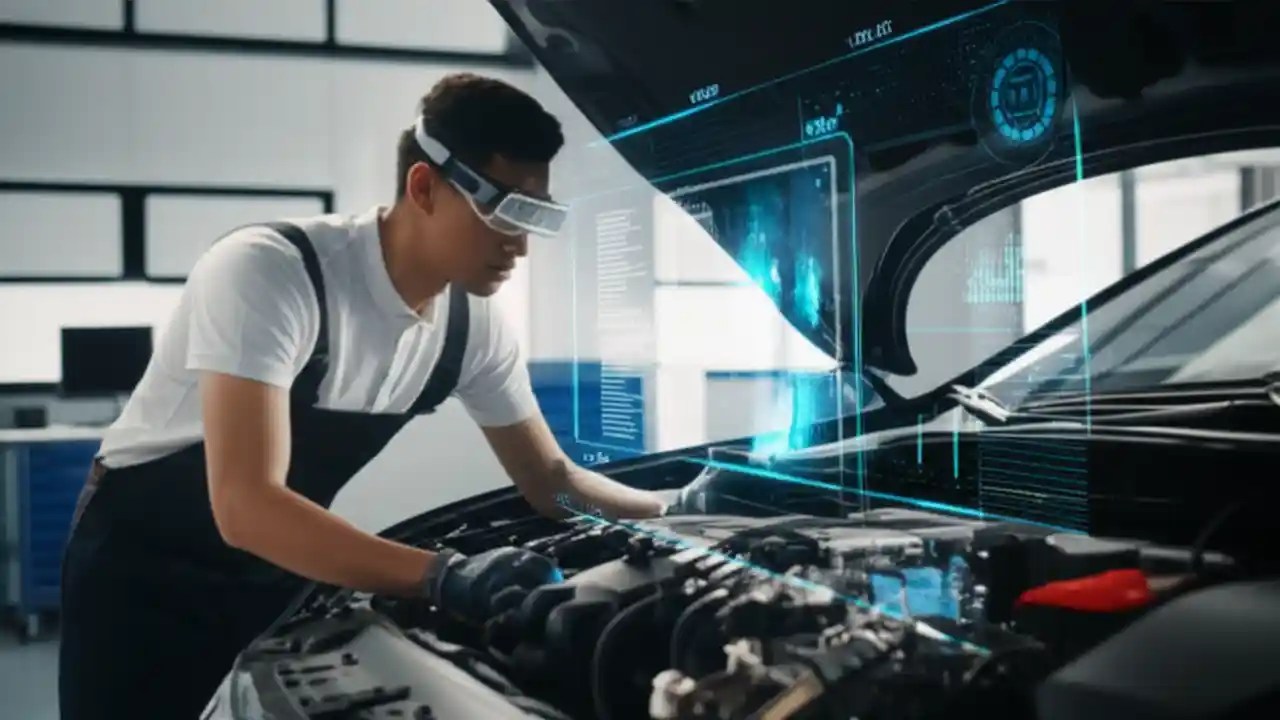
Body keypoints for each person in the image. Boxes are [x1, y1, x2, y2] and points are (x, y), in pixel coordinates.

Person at [58, 72, 668, 719]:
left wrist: (673, 509)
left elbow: (551, 481)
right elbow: (244, 504)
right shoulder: (272, 271)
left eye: (534, 217)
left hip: (278, 563)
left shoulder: (471, 328)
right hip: (142, 571)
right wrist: (444, 575)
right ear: (424, 186)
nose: (518, 244)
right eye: (503, 212)